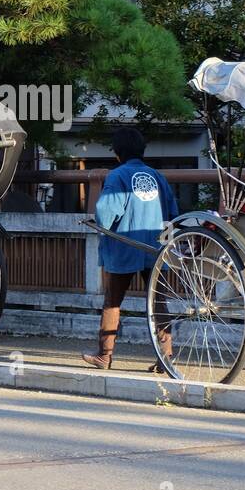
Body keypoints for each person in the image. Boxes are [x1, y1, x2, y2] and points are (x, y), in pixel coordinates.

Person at [83, 127, 179, 370]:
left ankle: (105, 355)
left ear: (117, 153)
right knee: (158, 301)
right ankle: (165, 358)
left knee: (113, 301)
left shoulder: (117, 176)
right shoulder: (158, 177)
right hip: (156, 246)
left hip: (123, 247)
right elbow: (173, 214)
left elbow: (105, 215)